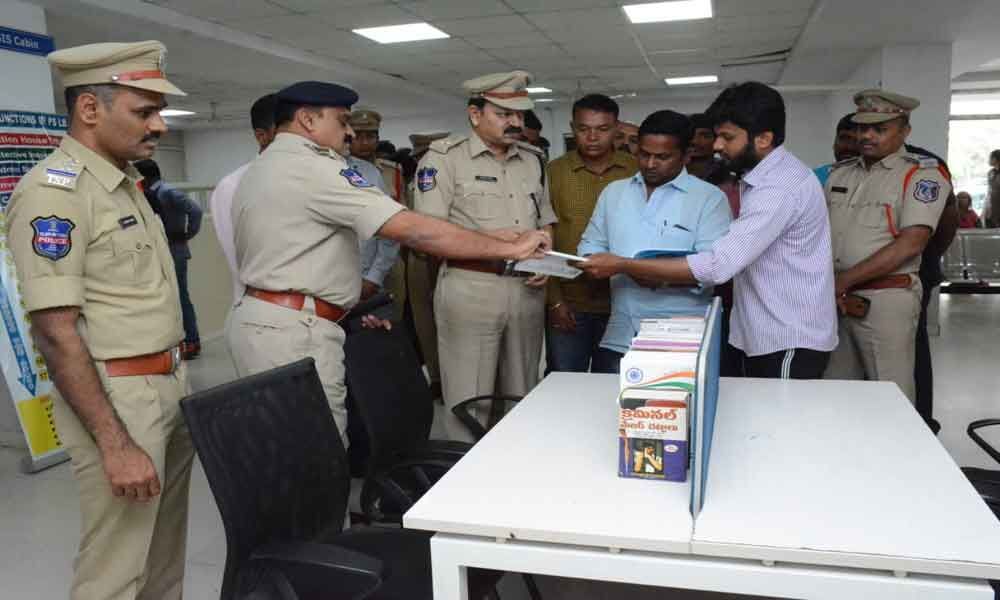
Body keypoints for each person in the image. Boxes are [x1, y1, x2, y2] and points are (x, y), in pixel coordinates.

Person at [228, 80, 550, 441]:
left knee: (291, 447)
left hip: (280, 322)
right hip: (293, 333)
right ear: (307, 120)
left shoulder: (268, 163)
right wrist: (509, 249)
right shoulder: (314, 167)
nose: (350, 132)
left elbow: (295, 254)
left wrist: (343, 308)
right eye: (343, 120)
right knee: (310, 452)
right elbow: (412, 229)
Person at [7, 40, 192, 599]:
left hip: (166, 383)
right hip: (119, 397)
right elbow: (56, 333)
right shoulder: (54, 194)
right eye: (144, 111)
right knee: (116, 567)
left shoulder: (123, 185)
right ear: (90, 109)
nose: (159, 125)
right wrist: (115, 444)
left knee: (162, 557)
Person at [578, 82, 837, 379]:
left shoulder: (778, 188)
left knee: (781, 421)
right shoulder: (758, 179)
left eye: (728, 137)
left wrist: (625, 264)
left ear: (764, 138)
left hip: (787, 337)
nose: (716, 146)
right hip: (761, 333)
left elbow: (717, 265)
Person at [413, 71, 557, 442]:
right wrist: (495, 241)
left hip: (526, 290)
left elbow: (545, 220)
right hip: (470, 287)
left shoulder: (533, 159)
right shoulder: (443, 159)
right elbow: (427, 234)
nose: (515, 123)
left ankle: (514, 476)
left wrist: (544, 257)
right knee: (469, 397)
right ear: (475, 115)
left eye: (520, 115)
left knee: (521, 392)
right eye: (504, 114)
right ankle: (461, 481)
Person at [823, 90, 951, 404]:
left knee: (889, 395)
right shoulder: (840, 173)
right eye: (862, 128)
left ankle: (900, 452)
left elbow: (911, 243)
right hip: (836, 300)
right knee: (835, 393)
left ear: (904, 130)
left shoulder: (921, 175)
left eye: (879, 129)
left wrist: (843, 280)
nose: (867, 135)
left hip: (885, 300)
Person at [577, 110, 731, 370]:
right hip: (620, 333)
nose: (650, 164)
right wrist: (591, 263)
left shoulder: (709, 198)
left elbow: (712, 268)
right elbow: (590, 245)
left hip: (682, 338)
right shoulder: (614, 193)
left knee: (673, 410)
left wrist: (632, 267)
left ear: (686, 155)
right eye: (644, 154)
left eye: (662, 157)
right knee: (609, 407)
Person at [545, 93, 637, 373]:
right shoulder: (553, 172)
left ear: (617, 128)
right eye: (584, 129)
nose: (593, 137)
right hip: (570, 302)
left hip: (623, 302)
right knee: (564, 386)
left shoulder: (636, 171)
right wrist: (554, 300)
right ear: (573, 129)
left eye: (603, 129)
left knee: (614, 388)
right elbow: (543, 237)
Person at [905, 143, 958, 433]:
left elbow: (948, 222)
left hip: (912, 275)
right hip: (856, 283)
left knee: (912, 351)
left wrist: (926, 259)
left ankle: (921, 422)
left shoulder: (923, 165)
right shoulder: (850, 170)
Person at [686, 112, 741, 377]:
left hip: (725, 283)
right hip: (681, 286)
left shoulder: (731, 181)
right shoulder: (667, 178)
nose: (697, 141)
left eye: (705, 135)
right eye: (692, 134)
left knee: (719, 363)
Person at [210, 93, 278, 306]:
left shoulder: (312, 178)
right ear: (262, 136)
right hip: (263, 310)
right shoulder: (233, 186)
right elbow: (239, 260)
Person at [134, 158, 203, 359]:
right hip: (163, 249)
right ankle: (182, 340)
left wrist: (187, 234)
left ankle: (192, 341)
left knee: (180, 295)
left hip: (175, 249)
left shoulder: (166, 191)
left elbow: (195, 210)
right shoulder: (151, 193)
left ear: (143, 176)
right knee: (170, 296)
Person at [405, 131, 450, 398]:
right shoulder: (412, 184)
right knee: (425, 321)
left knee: (447, 321)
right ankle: (435, 377)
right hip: (420, 260)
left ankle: (446, 376)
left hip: (446, 257)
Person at [348, 109, 403, 316]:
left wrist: (376, 274)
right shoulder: (338, 170)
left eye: (370, 137)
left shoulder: (391, 171)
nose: (364, 143)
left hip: (390, 257)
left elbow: (398, 218)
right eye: (358, 137)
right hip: (357, 264)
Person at [814, 113, 860, 186]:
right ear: (834, 141)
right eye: (844, 138)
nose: (849, 147)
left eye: (856, 140)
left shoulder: (876, 178)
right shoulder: (815, 178)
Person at [986, 149, 1000, 227]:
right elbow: (989, 191)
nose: (989, 160)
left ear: (995, 159)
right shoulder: (990, 173)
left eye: (990, 158)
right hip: (992, 209)